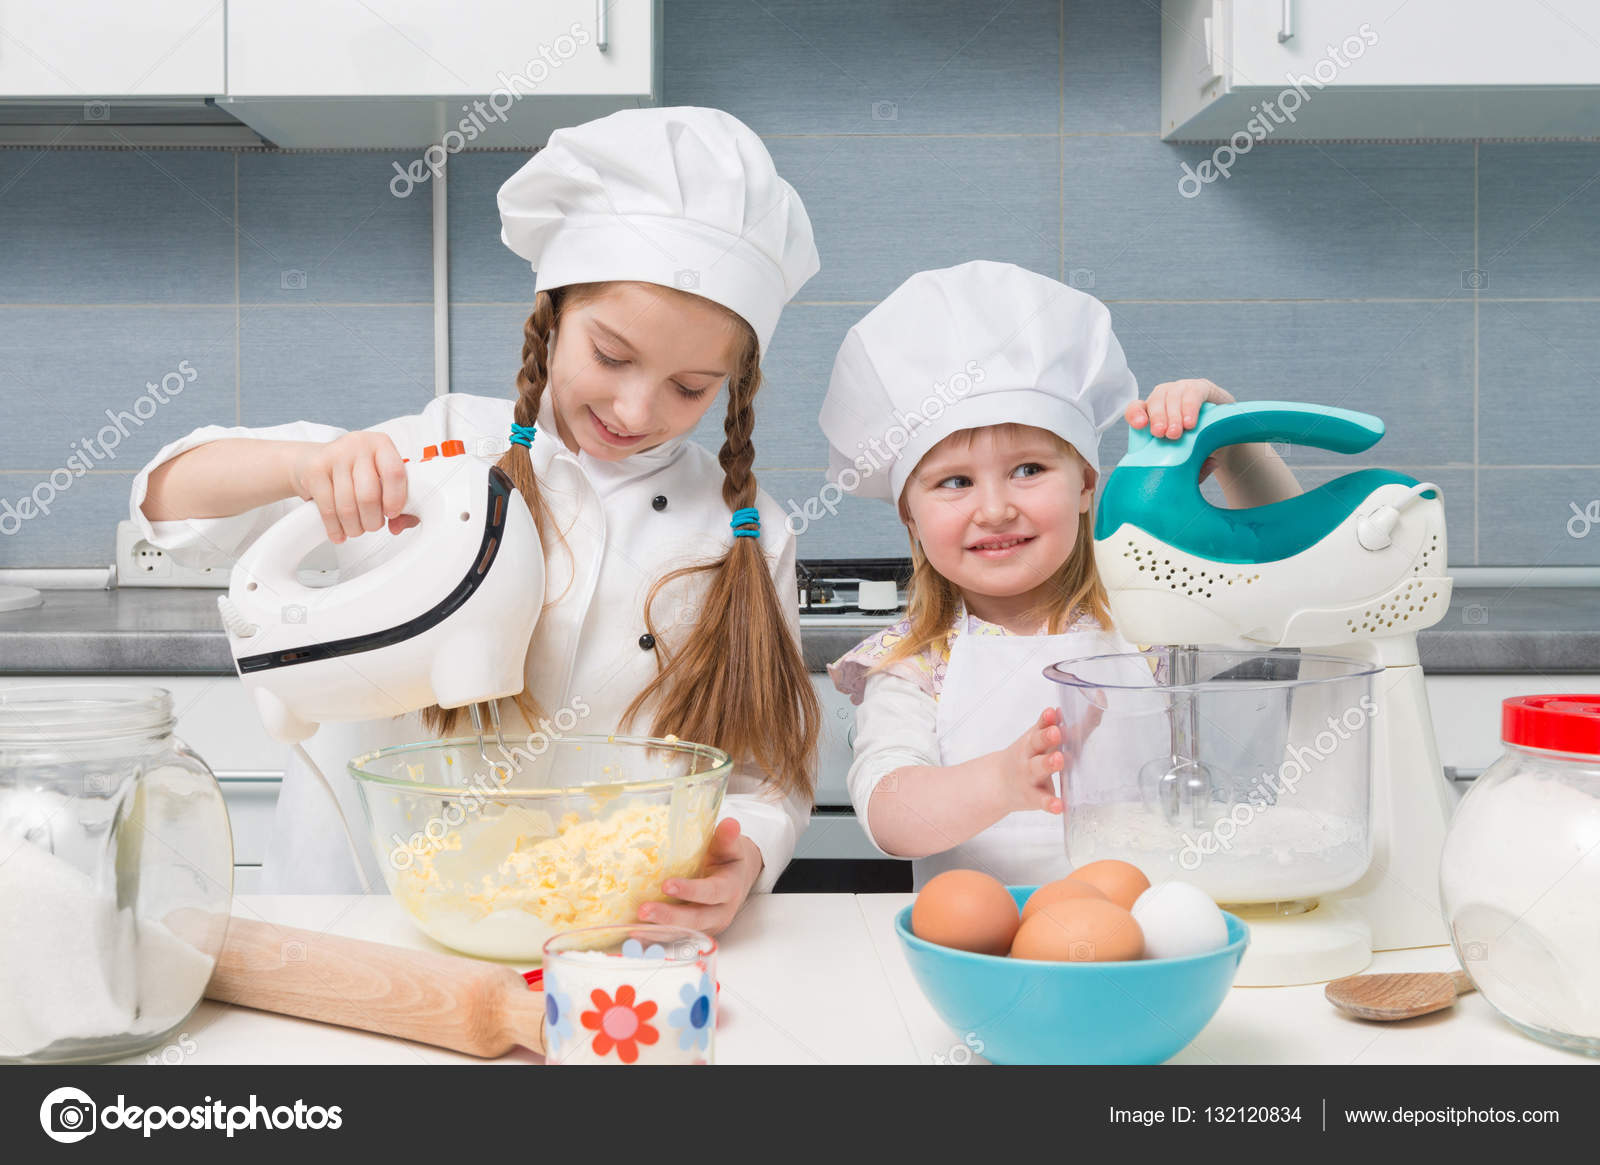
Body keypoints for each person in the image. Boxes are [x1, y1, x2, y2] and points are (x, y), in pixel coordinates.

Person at [132, 107, 822, 932]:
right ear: (552, 312)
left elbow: (763, 777)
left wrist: (748, 852)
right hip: (358, 918)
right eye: (611, 355)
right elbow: (166, 496)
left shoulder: (749, 532)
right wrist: (304, 468)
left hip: (603, 935)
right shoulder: (433, 453)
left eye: (690, 387)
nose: (637, 407)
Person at [821, 260, 1298, 888]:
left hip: (1149, 940)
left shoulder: (1147, 618)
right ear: (910, 514)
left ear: (1085, 485)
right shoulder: (913, 661)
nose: (995, 509)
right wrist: (999, 781)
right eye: (955, 482)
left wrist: (1236, 443)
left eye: (1028, 470)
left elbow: (1287, 578)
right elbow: (890, 816)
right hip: (982, 956)